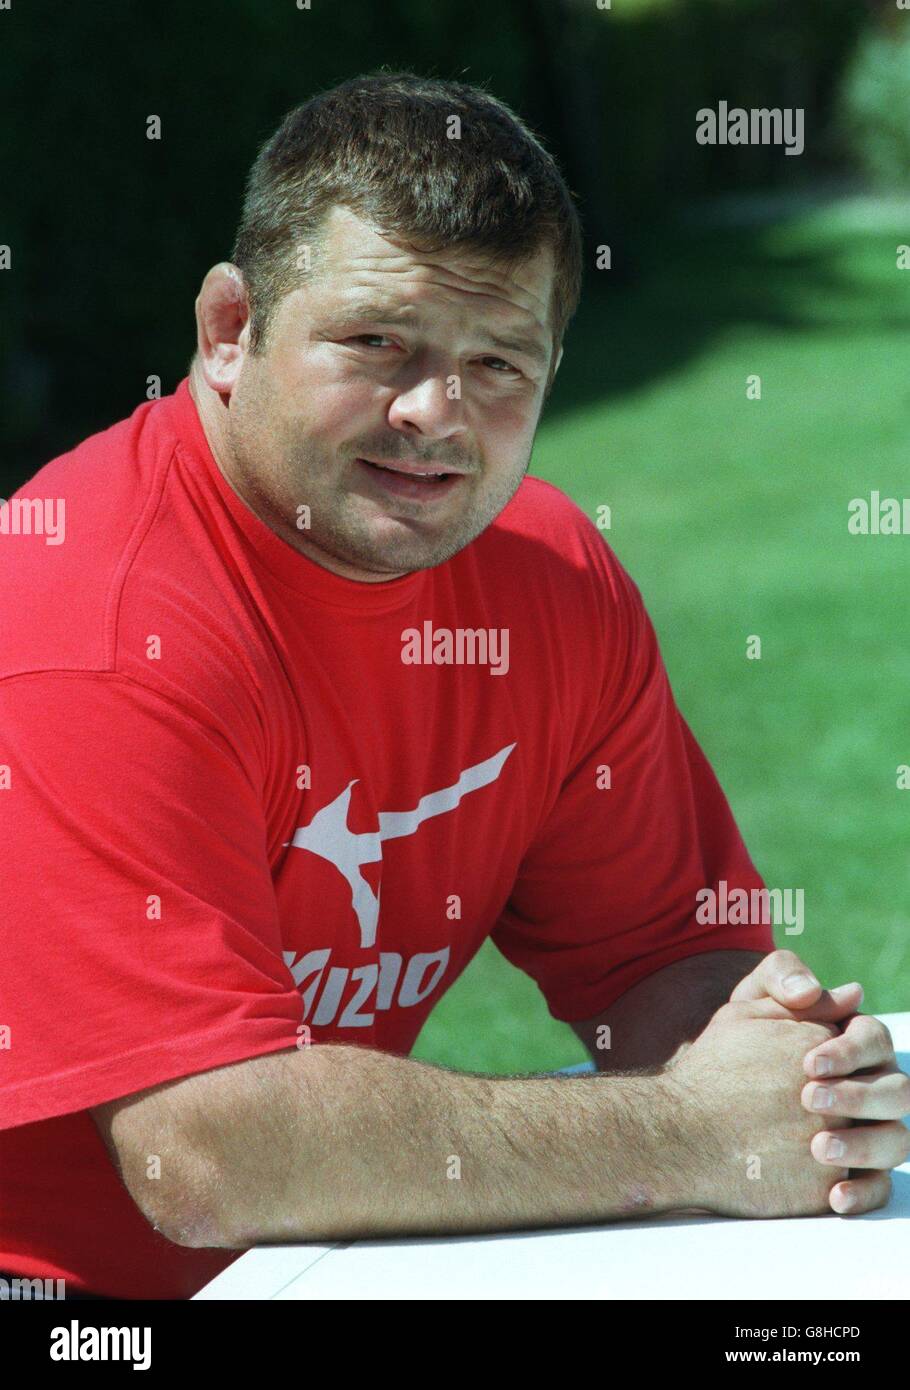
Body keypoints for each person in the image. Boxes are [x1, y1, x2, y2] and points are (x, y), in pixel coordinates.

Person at [1, 71, 907, 1301]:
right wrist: (695, 1132)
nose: (436, 413)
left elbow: (658, 958)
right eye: (377, 343)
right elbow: (208, 1152)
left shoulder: (545, 576)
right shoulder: (85, 625)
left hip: (297, 1264)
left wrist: (799, 1083)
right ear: (228, 331)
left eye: (499, 364)